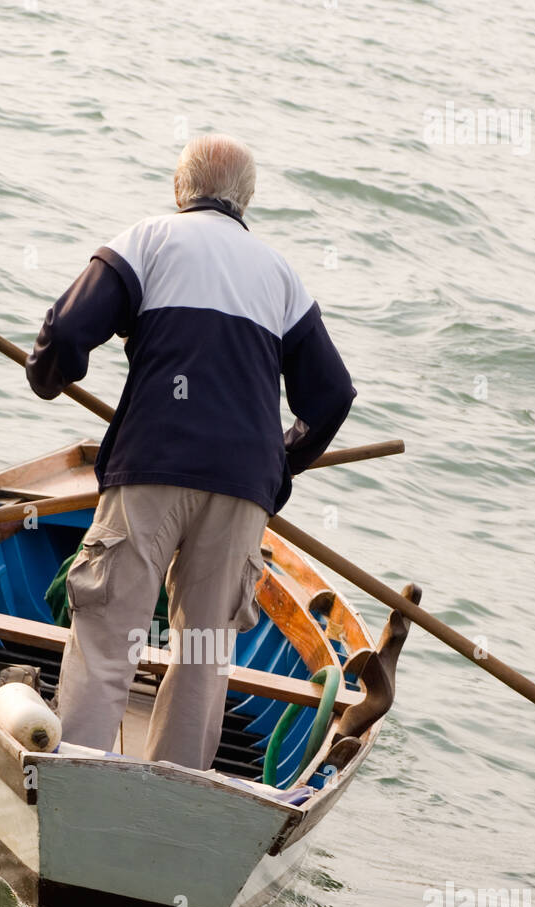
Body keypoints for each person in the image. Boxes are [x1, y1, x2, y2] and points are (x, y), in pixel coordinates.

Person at [25, 133, 355, 771]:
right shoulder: (280, 274)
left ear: (181, 190)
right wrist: (280, 462)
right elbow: (332, 396)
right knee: (204, 656)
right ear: (246, 200)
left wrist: (48, 378)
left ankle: (72, 783)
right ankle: (173, 800)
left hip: (152, 464)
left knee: (106, 639)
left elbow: (66, 329)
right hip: (242, 488)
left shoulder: (148, 240)